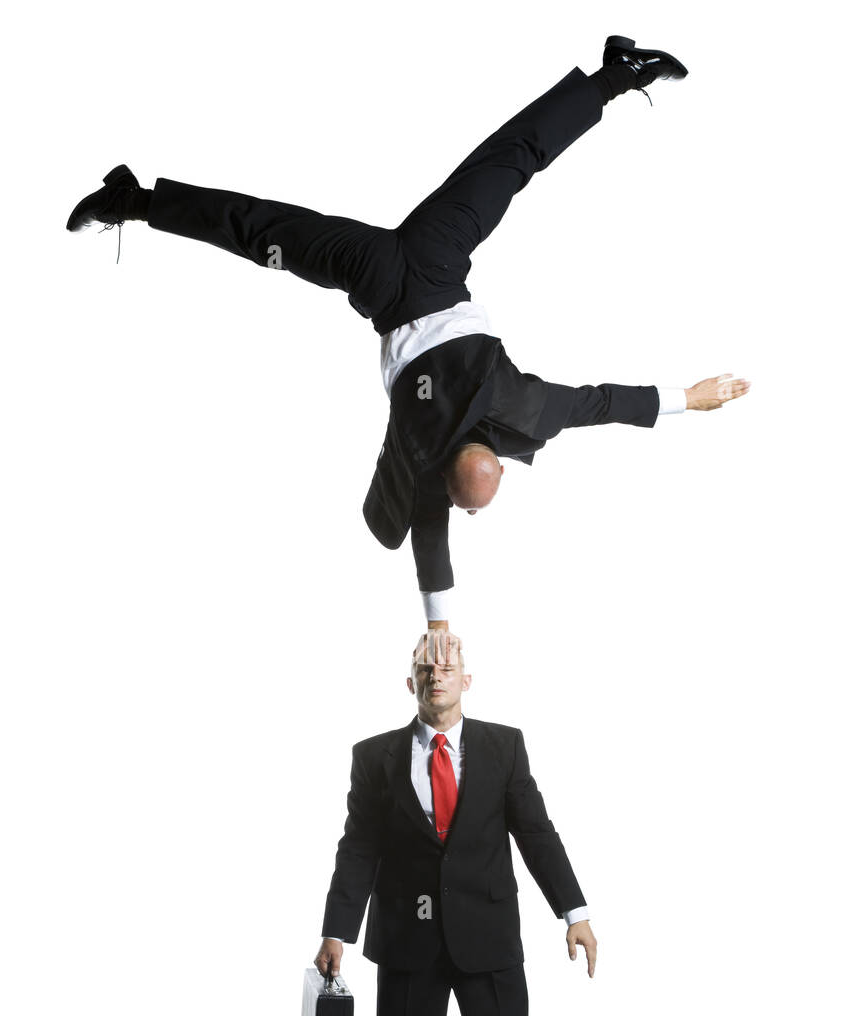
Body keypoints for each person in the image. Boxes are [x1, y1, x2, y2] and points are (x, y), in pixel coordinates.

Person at [66, 36, 751, 622]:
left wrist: (687, 398)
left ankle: (616, 73)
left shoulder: (529, 410)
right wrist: (437, 617)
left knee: (507, 163)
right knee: (266, 234)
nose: (473, 512)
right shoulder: (421, 448)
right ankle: (131, 199)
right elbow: (399, 530)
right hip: (389, 281)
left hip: (430, 261)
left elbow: (602, 403)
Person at [315, 631, 596, 1016]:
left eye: (446, 665)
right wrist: (338, 929)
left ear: (467, 679)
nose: (435, 674)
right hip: (409, 947)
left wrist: (572, 911)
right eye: (424, 667)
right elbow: (358, 848)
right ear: (410, 682)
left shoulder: (503, 747)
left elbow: (536, 832)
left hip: (489, 944)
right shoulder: (376, 757)